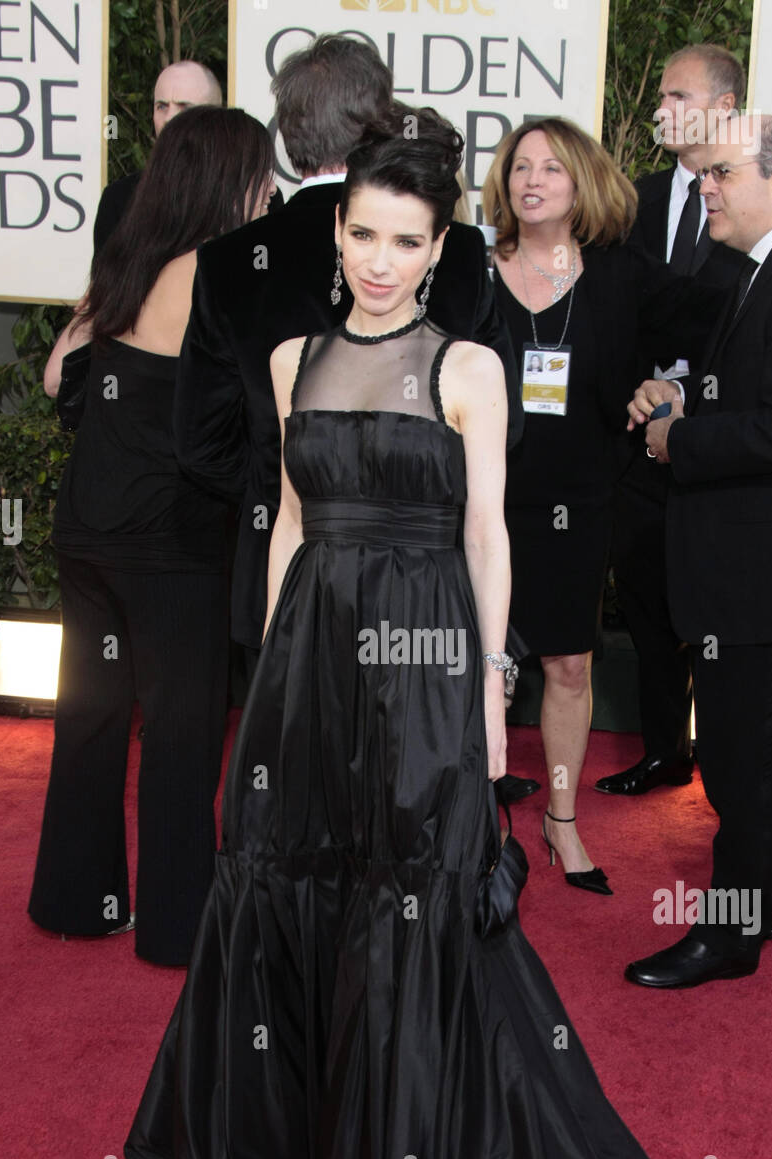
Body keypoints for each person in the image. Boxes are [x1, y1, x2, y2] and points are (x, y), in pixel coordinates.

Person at [118, 120, 663, 1159]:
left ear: (436, 248)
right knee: (284, 876)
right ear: (337, 231)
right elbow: (292, 527)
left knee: (413, 887)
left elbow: (486, 538)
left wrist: (485, 699)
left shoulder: (466, 367)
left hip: (421, 659)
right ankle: (294, 1142)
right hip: (308, 654)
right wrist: (265, 676)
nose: (376, 259)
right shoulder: (290, 360)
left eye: (403, 240)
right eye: (360, 232)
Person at [171, 34, 523, 686]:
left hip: (290, 589)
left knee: (296, 780)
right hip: (426, 592)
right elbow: (508, 431)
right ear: (379, 121)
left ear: (287, 133)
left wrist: (298, 486)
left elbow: (198, 444)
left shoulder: (228, 261)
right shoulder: (465, 251)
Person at [28, 108, 276, 967]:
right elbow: (248, 408)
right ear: (229, 181)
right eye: (260, 175)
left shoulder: (127, 262)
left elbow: (62, 377)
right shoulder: (216, 270)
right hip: (169, 542)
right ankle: (179, 928)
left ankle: (77, 900)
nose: (271, 192)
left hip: (88, 530)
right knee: (181, 730)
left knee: (91, 716)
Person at [625, 113, 772, 989]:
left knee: (738, 753)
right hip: (750, 561)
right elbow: (738, 381)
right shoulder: (766, 265)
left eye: (720, 174)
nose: (703, 187)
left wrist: (679, 440)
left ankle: (729, 933)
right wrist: (674, 389)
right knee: (762, 746)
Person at [482, 117, 723, 895]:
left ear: (581, 181)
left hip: (580, 499)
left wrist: (670, 389)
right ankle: (466, 820)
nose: (532, 181)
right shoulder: (470, 274)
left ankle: (560, 820)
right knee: (473, 667)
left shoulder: (622, 275)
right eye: (521, 167)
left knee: (569, 664)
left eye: (551, 168)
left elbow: (719, 327)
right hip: (479, 500)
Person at [599, 44, 747, 798]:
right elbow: (619, 310)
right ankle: (666, 751)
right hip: (635, 436)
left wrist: (687, 394)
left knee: (714, 613)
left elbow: (739, 325)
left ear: (724, 107)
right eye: (659, 95)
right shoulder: (636, 199)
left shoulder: (751, 202)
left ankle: (728, 767)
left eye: (677, 95)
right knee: (649, 606)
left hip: (717, 443)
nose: (661, 109)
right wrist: (638, 388)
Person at [93, 61, 232, 255]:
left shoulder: (252, 195)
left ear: (217, 118)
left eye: (184, 106)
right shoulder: (119, 200)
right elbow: (105, 283)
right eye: (161, 106)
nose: (169, 118)